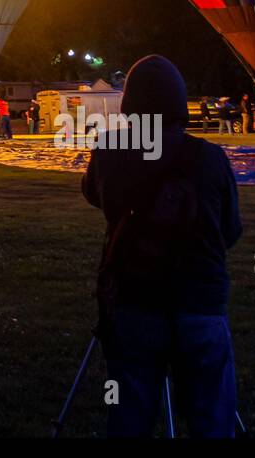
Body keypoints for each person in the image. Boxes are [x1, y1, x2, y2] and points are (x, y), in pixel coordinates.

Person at [82, 54, 242, 437]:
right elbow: (230, 230)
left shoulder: (109, 151)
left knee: (131, 410)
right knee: (211, 413)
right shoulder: (209, 157)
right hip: (200, 299)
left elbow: (92, 194)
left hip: (134, 298)